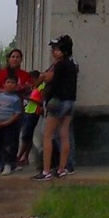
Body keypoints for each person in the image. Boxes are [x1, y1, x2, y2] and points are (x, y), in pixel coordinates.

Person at [34, 35, 78, 182]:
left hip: (57, 102)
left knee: (47, 135)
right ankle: (62, 169)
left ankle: (46, 171)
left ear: (64, 51)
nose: (54, 52)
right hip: (70, 102)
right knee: (64, 135)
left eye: (58, 49)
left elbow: (50, 80)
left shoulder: (58, 66)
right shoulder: (73, 65)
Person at [0, 47, 35, 168]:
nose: (15, 59)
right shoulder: (1, 74)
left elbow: (31, 90)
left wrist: (24, 89)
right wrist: (6, 90)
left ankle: (10, 161)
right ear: (9, 59)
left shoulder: (25, 75)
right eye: (13, 57)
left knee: (13, 137)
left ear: (21, 60)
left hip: (17, 110)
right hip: (1, 110)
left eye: (18, 57)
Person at [0, 77, 23, 174]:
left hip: (9, 125)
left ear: (16, 86)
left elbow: (17, 113)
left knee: (8, 145)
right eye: (8, 82)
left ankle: (8, 164)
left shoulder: (16, 99)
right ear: (4, 84)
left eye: (13, 83)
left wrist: (6, 123)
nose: (10, 84)